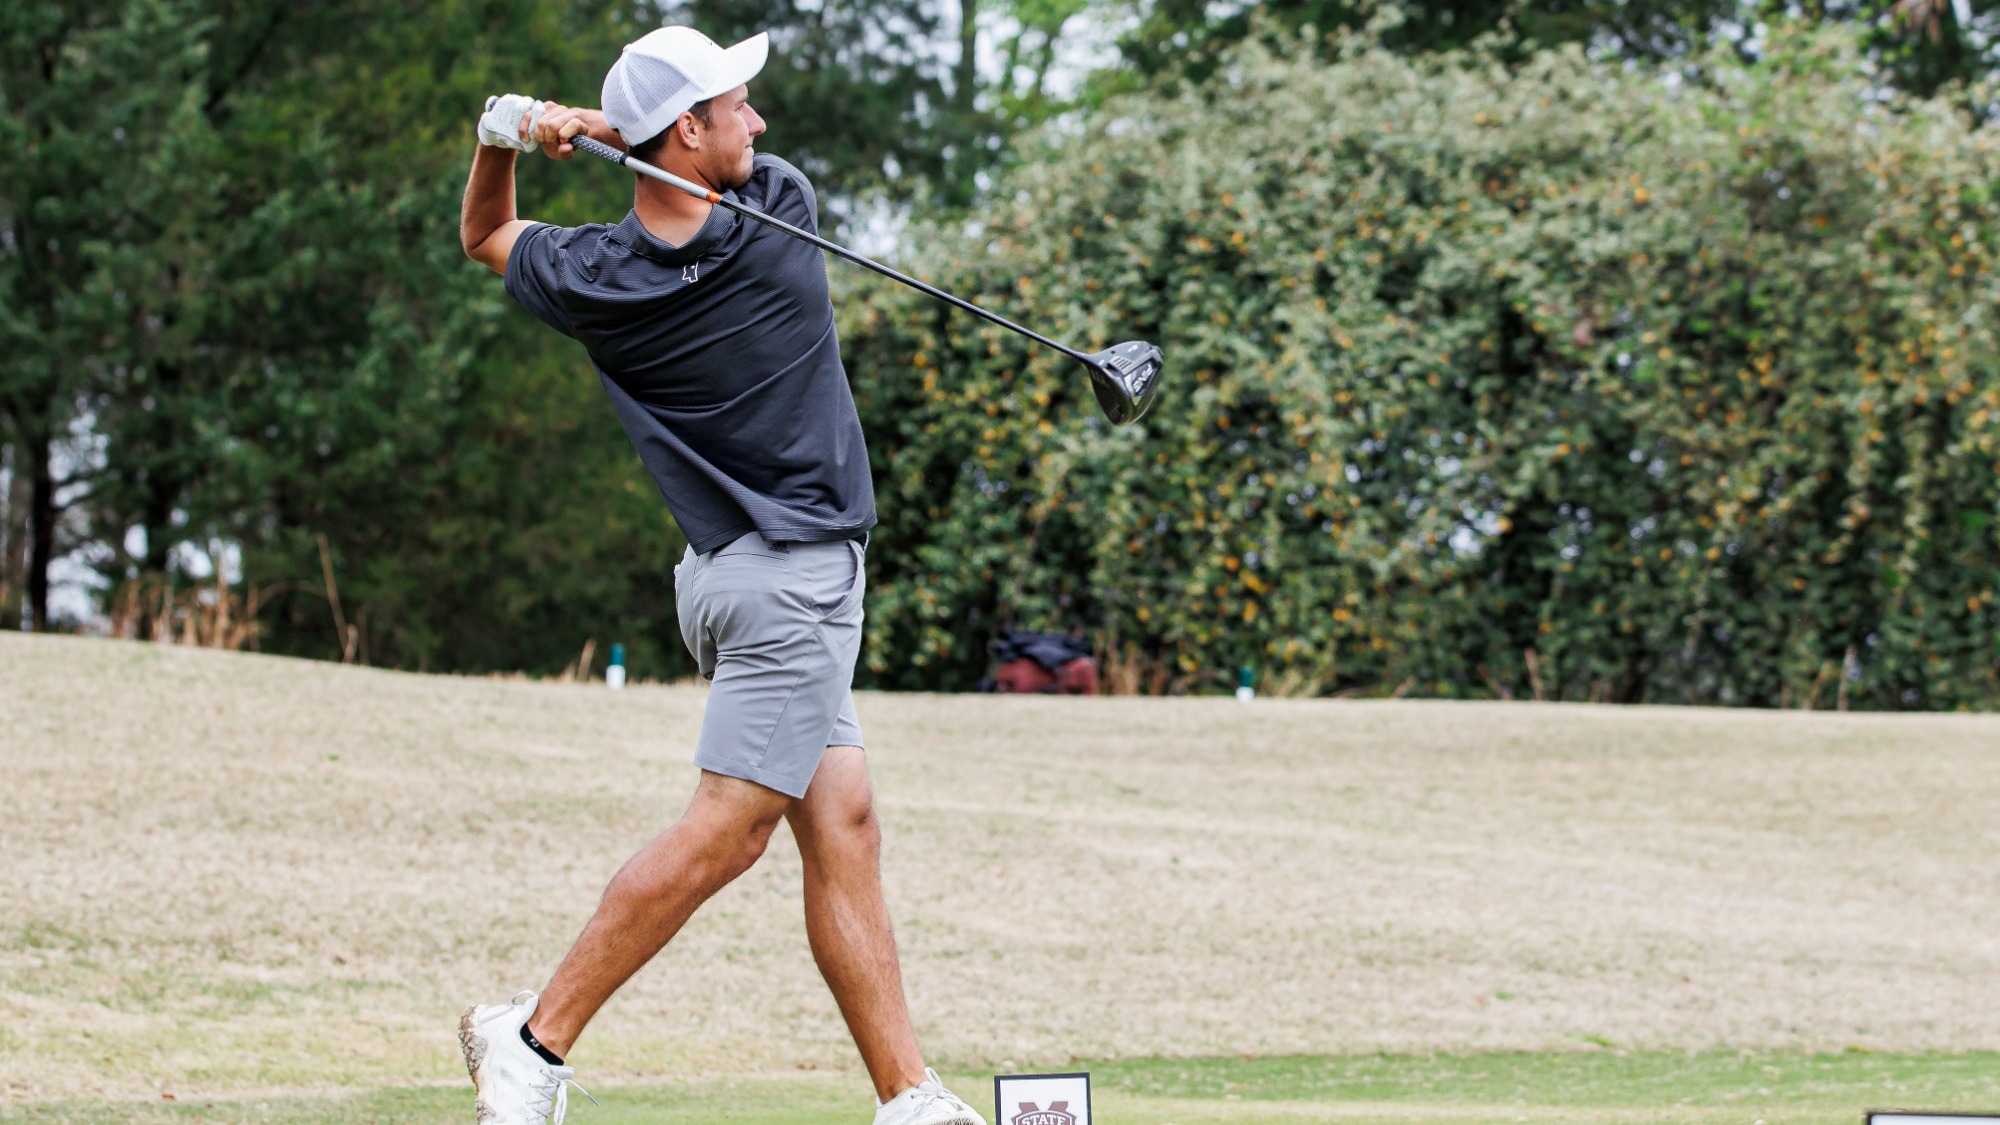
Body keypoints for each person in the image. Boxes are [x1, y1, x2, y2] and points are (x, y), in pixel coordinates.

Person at [454, 25, 984, 1125]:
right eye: (737, 105)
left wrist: (508, 131)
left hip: (728, 581)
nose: (759, 122)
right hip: (795, 587)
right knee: (729, 830)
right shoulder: (776, 210)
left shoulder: (592, 276)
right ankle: (533, 1039)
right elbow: (715, 180)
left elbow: (487, 234)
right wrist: (607, 130)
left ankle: (908, 1098)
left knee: (842, 821)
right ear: (689, 130)